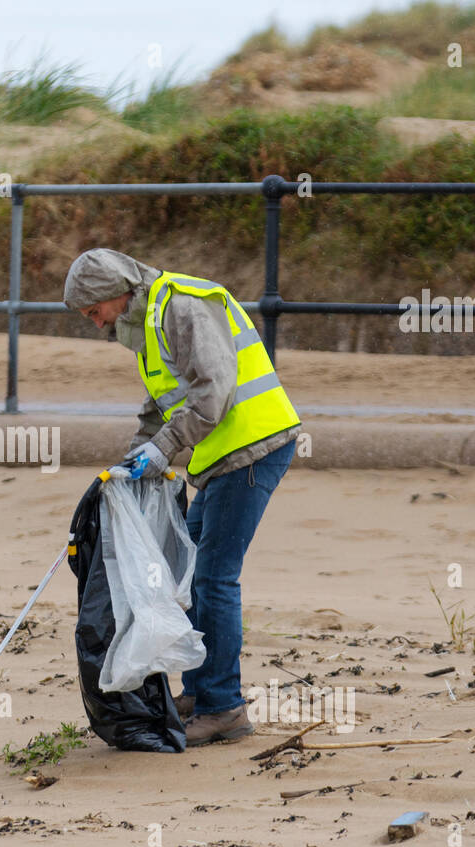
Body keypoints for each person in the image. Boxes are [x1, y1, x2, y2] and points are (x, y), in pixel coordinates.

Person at [63, 248, 301, 746]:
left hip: (251, 450)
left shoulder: (182, 306)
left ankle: (224, 708)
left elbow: (212, 391)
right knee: (193, 577)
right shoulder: (150, 321)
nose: (95, 323)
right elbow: (162, 404)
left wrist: (162, 449)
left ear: (115, 294)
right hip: (219, 460)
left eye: (93, 312)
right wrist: (135, 461)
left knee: (214, 580)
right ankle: (199, 690)